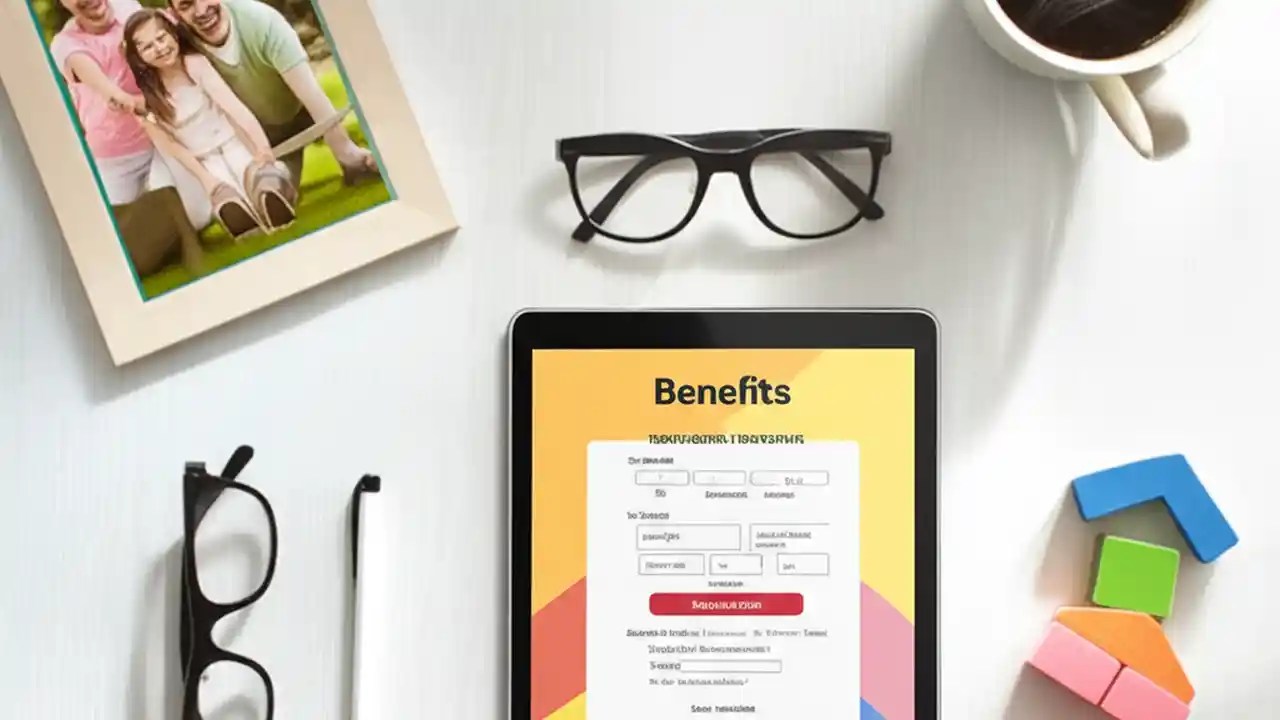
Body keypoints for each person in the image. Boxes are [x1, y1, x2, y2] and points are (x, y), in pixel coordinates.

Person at [167, 0, 381, 191]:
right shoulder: (181, 50)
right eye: (186, 5)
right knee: (274, 194)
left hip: (301, 110)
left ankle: (353, 159)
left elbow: (311, 94)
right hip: (265, 136)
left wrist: (346, 153)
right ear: (174, 13)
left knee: (355, 162)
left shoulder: (259, 20)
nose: (201, 10)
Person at [123, 9, 297, 239]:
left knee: (253, 174)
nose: (159, 48)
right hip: (204, 160)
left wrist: (262, 148)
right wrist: (206, 180)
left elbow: (233, 107)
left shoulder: (195, 65)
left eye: (161, 37)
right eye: (147, 47)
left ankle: (272, 186)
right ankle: (239, 214)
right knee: (226, 193)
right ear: (138, 57)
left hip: (233, 141)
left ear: (173, 35)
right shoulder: (147, 99)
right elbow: (172, 147)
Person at [49, 0, 211, 229]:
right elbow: (116, 97)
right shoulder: (65, 46)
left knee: (197, 218)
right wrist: (172, 98)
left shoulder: (127, 7)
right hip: (116, 157)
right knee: (110, 231)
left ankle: (168, 209)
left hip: (159, 140)